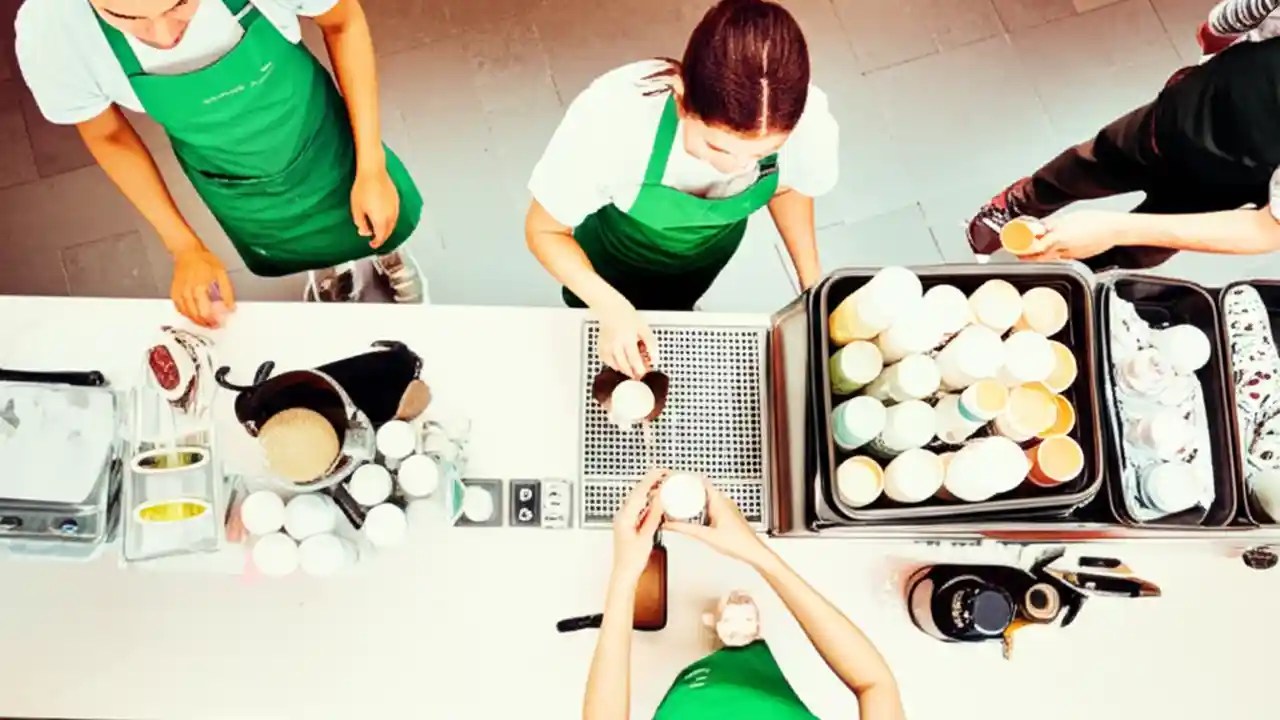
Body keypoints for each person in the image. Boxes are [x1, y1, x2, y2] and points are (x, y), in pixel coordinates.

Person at [15, 0, 426, 327]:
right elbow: (107, 134)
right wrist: (183, 246)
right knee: (305, 242)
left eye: (180, 4)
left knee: (375, 211)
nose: (164, 35)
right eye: (123, 16)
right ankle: (329, 264)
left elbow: (343, 21)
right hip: (234, 176)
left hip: (319, 132)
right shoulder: (50, 30)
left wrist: (371, 165)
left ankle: (390, 253)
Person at [526, 0, 839, 378]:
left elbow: (788, 188)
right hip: (614, 259)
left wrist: (812, 289)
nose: (736, 167)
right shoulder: (614, 118)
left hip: (705, 256)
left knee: (678, 307)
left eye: (762, 154)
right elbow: (545, 230)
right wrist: (608, 305)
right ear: (681, 98)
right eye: (717, 147)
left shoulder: (807, 122)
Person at [964, 0, 1280, 269]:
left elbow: (1269, 229)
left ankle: (1075, 272)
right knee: (1093, 163)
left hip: (1235, 184)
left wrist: (1114, 229)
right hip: (1185, 111)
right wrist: (1216, 35)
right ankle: (1020, 203)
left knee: (1140, 246)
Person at [585, 469, 905, 720]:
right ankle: (738, 649)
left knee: (710, 677)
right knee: (745, 664)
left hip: (692, 699)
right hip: (762, 692)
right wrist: (758, 554)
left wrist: (626, 574)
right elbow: (875, 685)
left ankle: (724, 654)